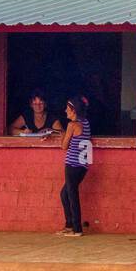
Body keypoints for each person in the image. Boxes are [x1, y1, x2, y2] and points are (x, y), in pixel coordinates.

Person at [58, 95, 92, 237]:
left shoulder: (72, 125)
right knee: (64, 194)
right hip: (83, 166)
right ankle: (69, 225)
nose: (65, 111)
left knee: (71, 195)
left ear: (73, 110)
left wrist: (62, 135)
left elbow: (64, 146)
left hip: (72, 165)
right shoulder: (86, 123)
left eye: (67, 108)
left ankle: (77, 228)